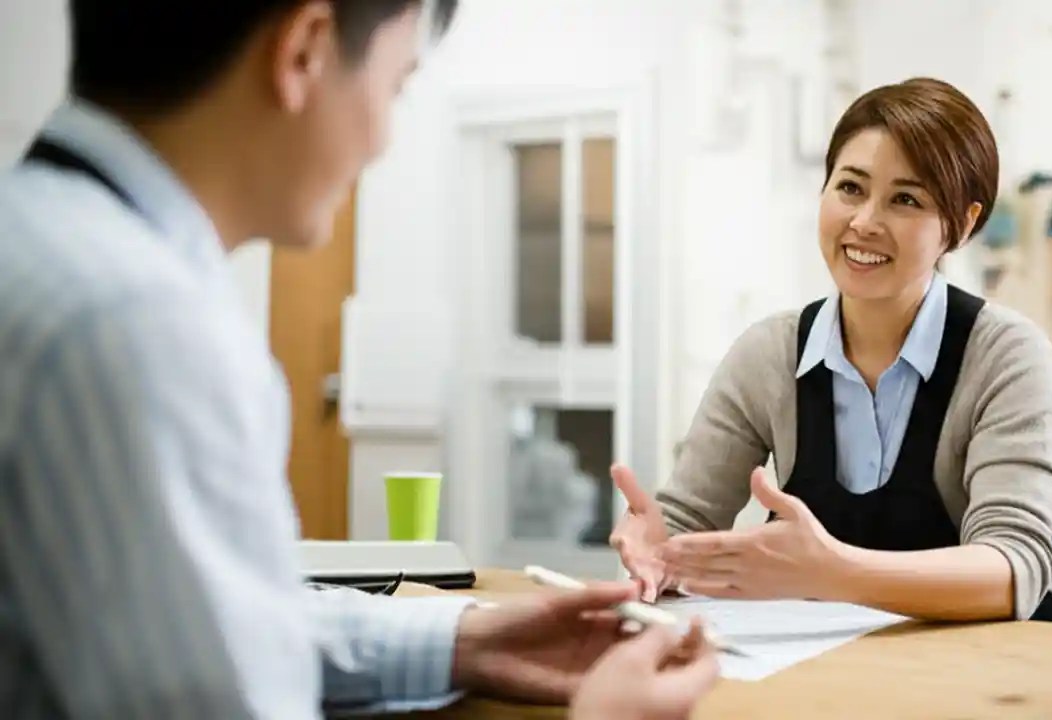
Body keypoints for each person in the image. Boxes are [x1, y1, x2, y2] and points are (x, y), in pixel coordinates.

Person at [0, 1, 716, 718]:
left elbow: (222, 621)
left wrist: (472, 641)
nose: (383, 141)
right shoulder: (138, 328)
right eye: (397, 86)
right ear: (305, 51)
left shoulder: (42, 243)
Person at [610, 77, 1052, 624]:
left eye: (906, 199)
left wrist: (831, 572)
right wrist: (657, 551)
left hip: (981, 667)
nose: (865, 222)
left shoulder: (1007, 355)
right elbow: (686, 522)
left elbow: (1014, 569)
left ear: (963, 224)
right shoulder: (769, 352)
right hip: (824, 660)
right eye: (851, 188)